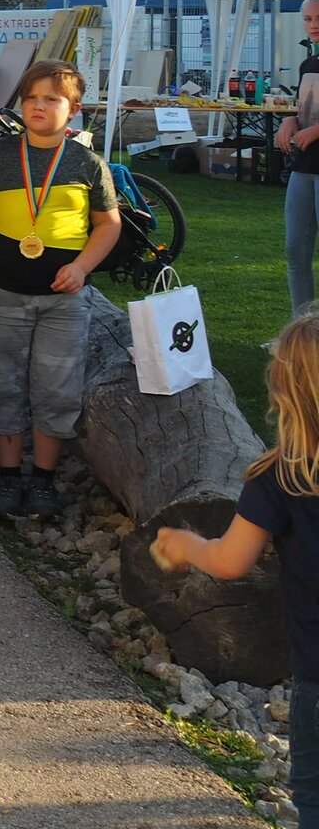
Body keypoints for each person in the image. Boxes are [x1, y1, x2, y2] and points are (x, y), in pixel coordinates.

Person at [152, 313, 319, 824]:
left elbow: (229, 560)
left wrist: (186, 544)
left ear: (284, 394)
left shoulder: (279, 477)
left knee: (313, 799)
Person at [0, 59, 121, 520]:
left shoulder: (88, 163)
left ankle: (44, 481)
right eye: (31, 98)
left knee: (57, 388)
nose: (38, 106)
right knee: (3, 383)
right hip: (2, 294)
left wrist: (81, 267)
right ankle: (9, 477)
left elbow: (108, 225)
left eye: (51, 99)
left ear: (72, 110)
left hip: (64, 302)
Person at [280, 0, 319, 318]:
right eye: (307, 19)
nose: (313, 24)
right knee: (295, 250)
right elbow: (302, 110)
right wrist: (289, 122)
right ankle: (302, 329)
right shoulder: (309, 64)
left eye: (318, 18)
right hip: (304, 166)